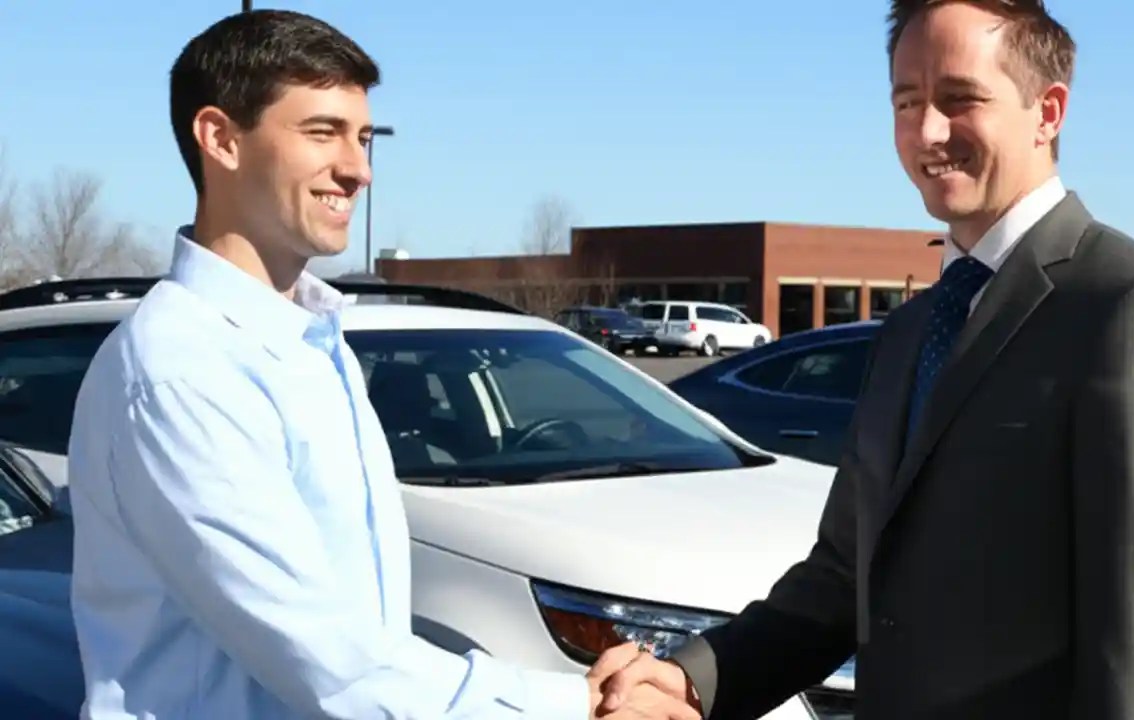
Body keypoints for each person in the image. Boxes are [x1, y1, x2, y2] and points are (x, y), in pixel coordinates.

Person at [593, 0, 1134, 718]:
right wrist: (694, 681)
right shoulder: (906, 334)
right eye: (908, 102)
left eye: (960, 99)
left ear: (1048, 111)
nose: (928, 132)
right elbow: (844, 578)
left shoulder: (1132, 310)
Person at [65, 10, 697, 720]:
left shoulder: (314, 342)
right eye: (322, 132)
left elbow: (360, 635)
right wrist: (570, 706)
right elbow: (324, 659)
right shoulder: (180, 370)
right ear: (220, 138)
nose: (358, 168)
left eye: (362, 138)